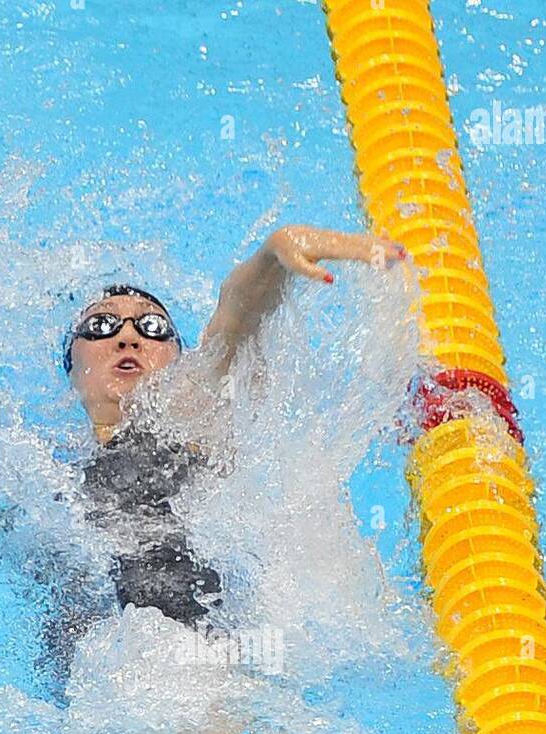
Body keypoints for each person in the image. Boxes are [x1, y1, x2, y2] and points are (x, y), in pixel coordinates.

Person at [57, 226, 405, 650]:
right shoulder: (39, 475)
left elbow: (237, 319)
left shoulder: (188, 423)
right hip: (87, 685)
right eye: (101, 325)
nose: (128, 337)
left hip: (196, 664)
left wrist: (275, 254)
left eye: (152, 327)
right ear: (70, 365)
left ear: (179, 361)